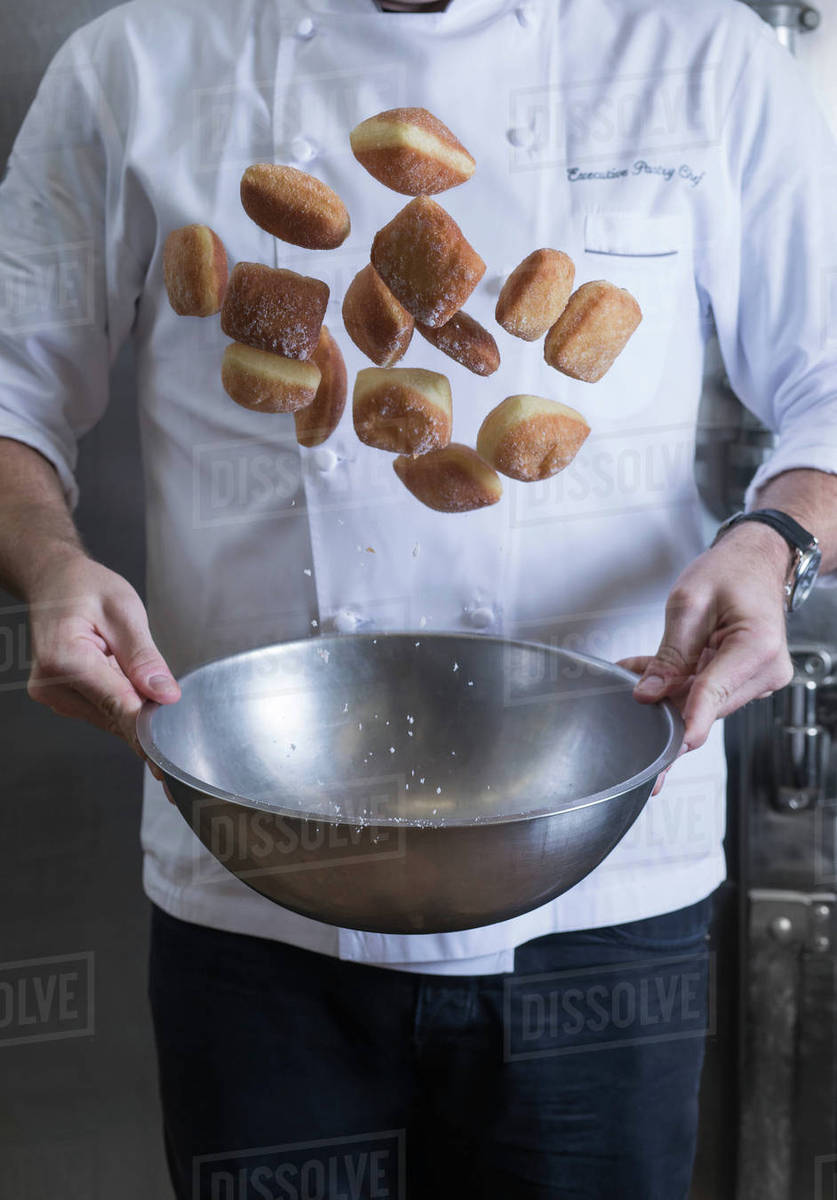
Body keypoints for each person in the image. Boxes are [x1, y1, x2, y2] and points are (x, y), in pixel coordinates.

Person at [1, 0, 836, 1195]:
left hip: (606, 884)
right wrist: (48, 563)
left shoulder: (701, 54)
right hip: (254, 880)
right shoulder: (136, 62)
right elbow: (10, 391)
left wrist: (775, 546)